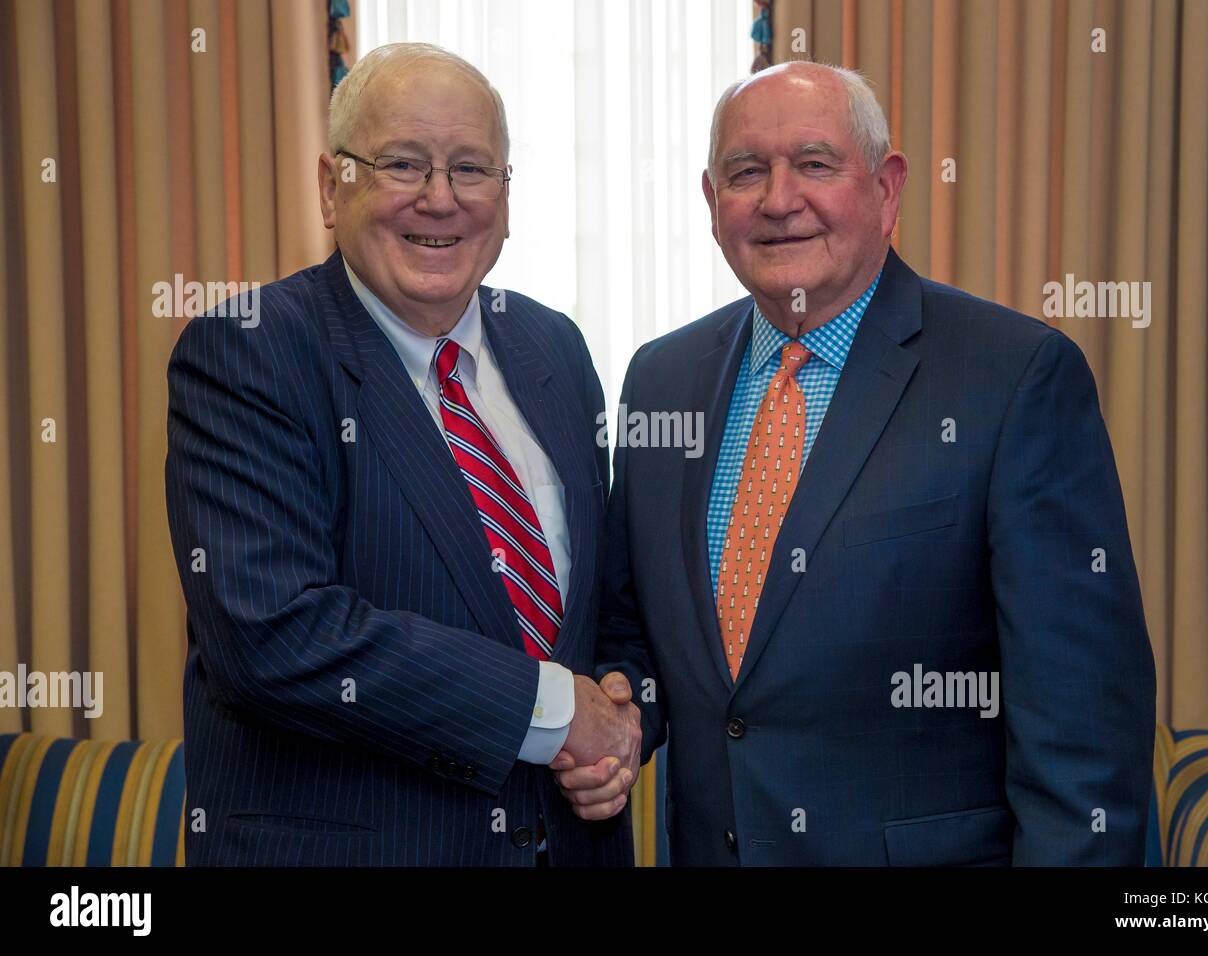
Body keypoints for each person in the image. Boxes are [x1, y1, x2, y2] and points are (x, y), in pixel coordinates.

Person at [552, 61, 1156, 866]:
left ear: (887, 187)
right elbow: (637, 630)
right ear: (710, 203)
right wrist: (623, 713)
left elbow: (1084, 735)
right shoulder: (663, 378)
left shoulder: (1014, 378)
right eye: (746, 172)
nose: (777, 199)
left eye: (813, 163)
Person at [165, 43, 638, 866]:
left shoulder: (555, 350)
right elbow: (275, 638)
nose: (440, 199)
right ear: (329, 185)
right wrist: (555, 708)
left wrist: (625, 719)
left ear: (507, 195)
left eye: (471, 169)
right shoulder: (250, 352)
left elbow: (607, 607)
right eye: (402, 163)